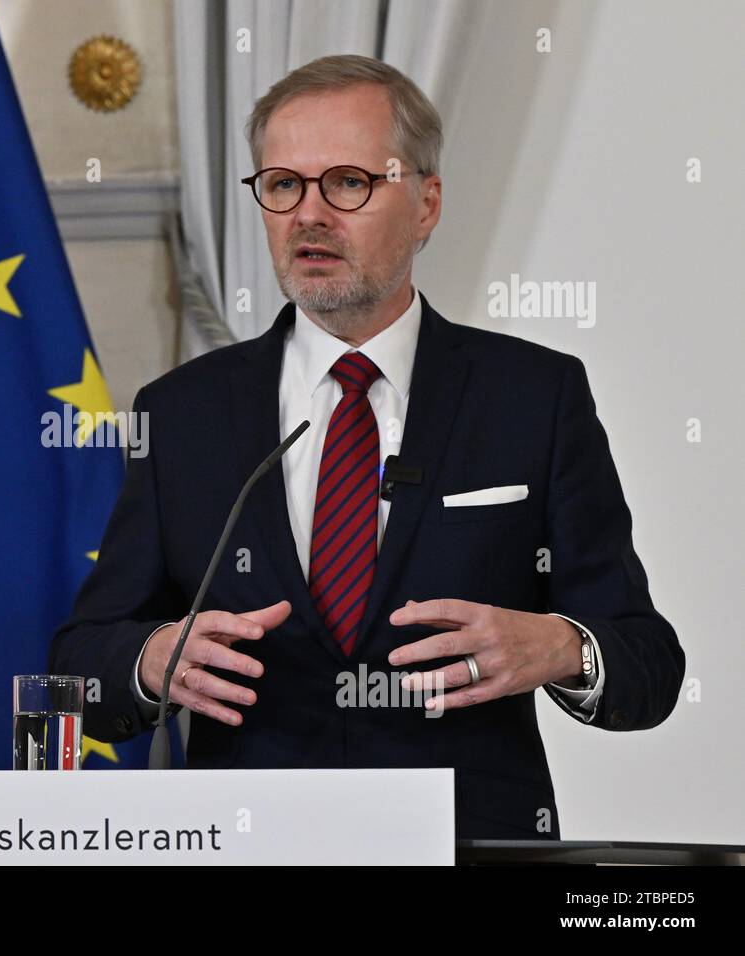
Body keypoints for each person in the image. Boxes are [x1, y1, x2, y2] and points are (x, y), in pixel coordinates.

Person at [48, 54, 684, 840]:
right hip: (247, 847)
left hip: (468, 845)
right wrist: (149, 661)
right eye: (283, 185)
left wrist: (560, 646)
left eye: (347, 182)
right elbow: (80, 662)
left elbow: (648, 664)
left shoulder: (534, 398)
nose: (309, 214)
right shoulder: (183, 413)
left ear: (426, 203)